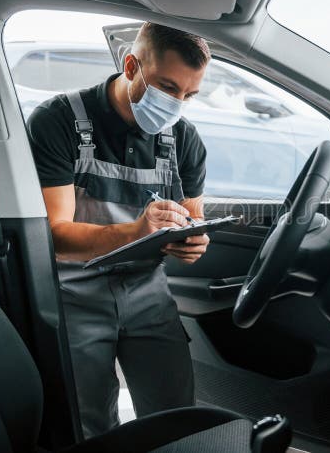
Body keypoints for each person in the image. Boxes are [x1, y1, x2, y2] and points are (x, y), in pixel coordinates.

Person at [26, 22, 211, 438]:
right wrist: (136, 232)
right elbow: (54, 235)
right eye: (167, 87)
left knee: (175, 419)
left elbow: (193, 216)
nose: (176, 104)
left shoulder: (184, 140)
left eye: (189, 95)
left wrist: (193, 239)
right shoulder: (58, 122)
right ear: (131, 66)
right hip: (75, 293)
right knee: (87, 425)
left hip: (148, 292)